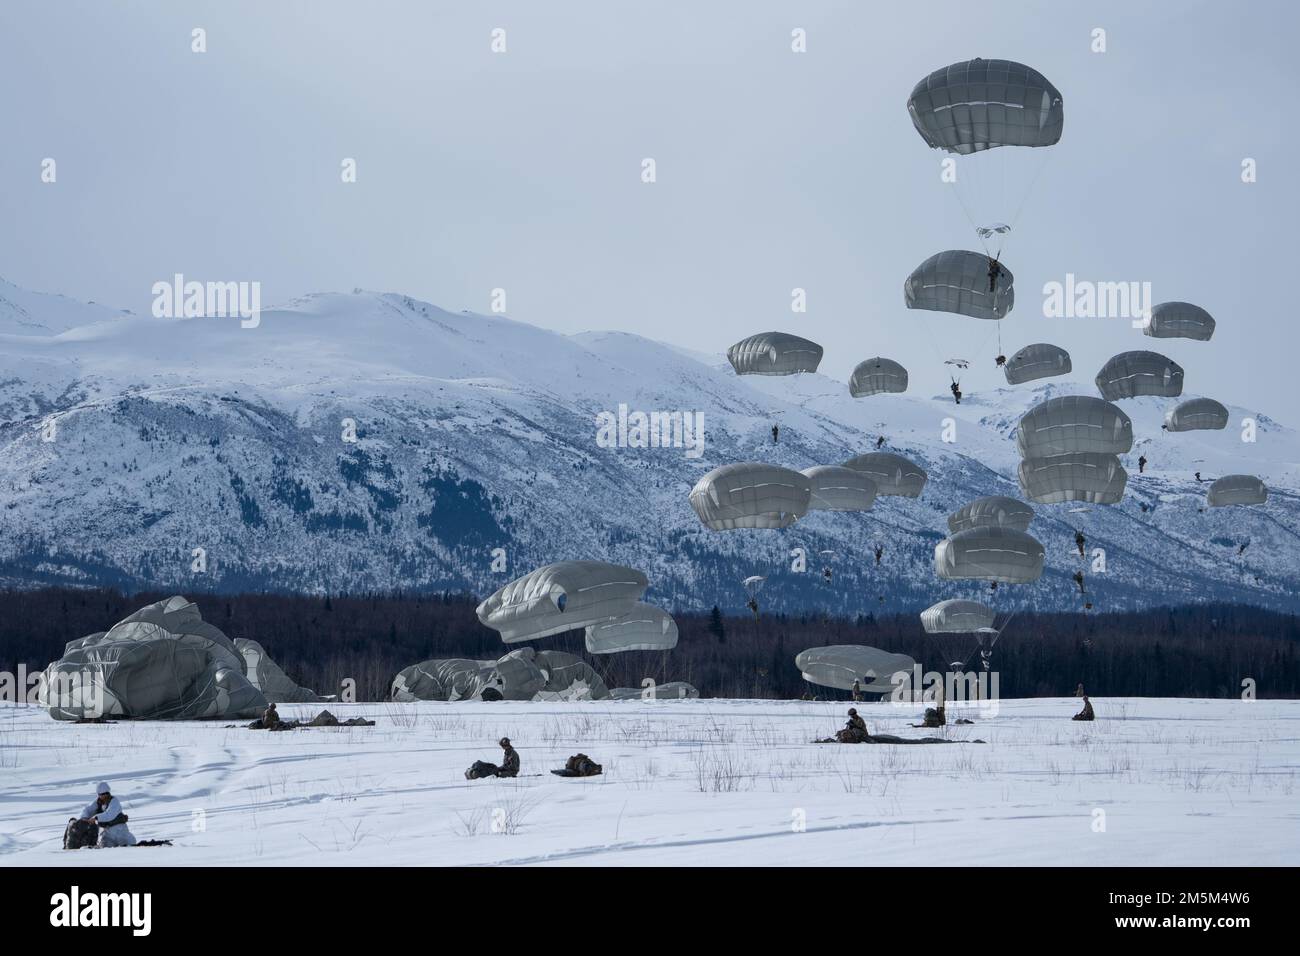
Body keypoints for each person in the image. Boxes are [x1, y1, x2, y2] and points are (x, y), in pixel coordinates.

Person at [78, 782, 136, 847]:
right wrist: (84, 818)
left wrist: (96, 818)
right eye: (101, 794)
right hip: (108, 835)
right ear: (98, 794)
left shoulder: (114, 801)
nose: (104, 795)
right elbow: (87, 810)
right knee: (104, 849)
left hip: (120, 832)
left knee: (129, 845)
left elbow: (109, 815)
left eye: (106, 793)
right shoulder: (98, 803)